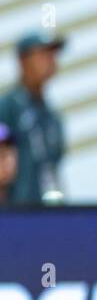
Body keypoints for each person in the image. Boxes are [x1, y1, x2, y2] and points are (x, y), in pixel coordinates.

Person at [0, 30, 66, 206]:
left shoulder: (52, 117)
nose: (51, 60)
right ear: (23, 60)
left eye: (52, 54)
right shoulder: (7, 108)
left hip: (47, 214)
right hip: (13, 215)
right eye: (42, 53)